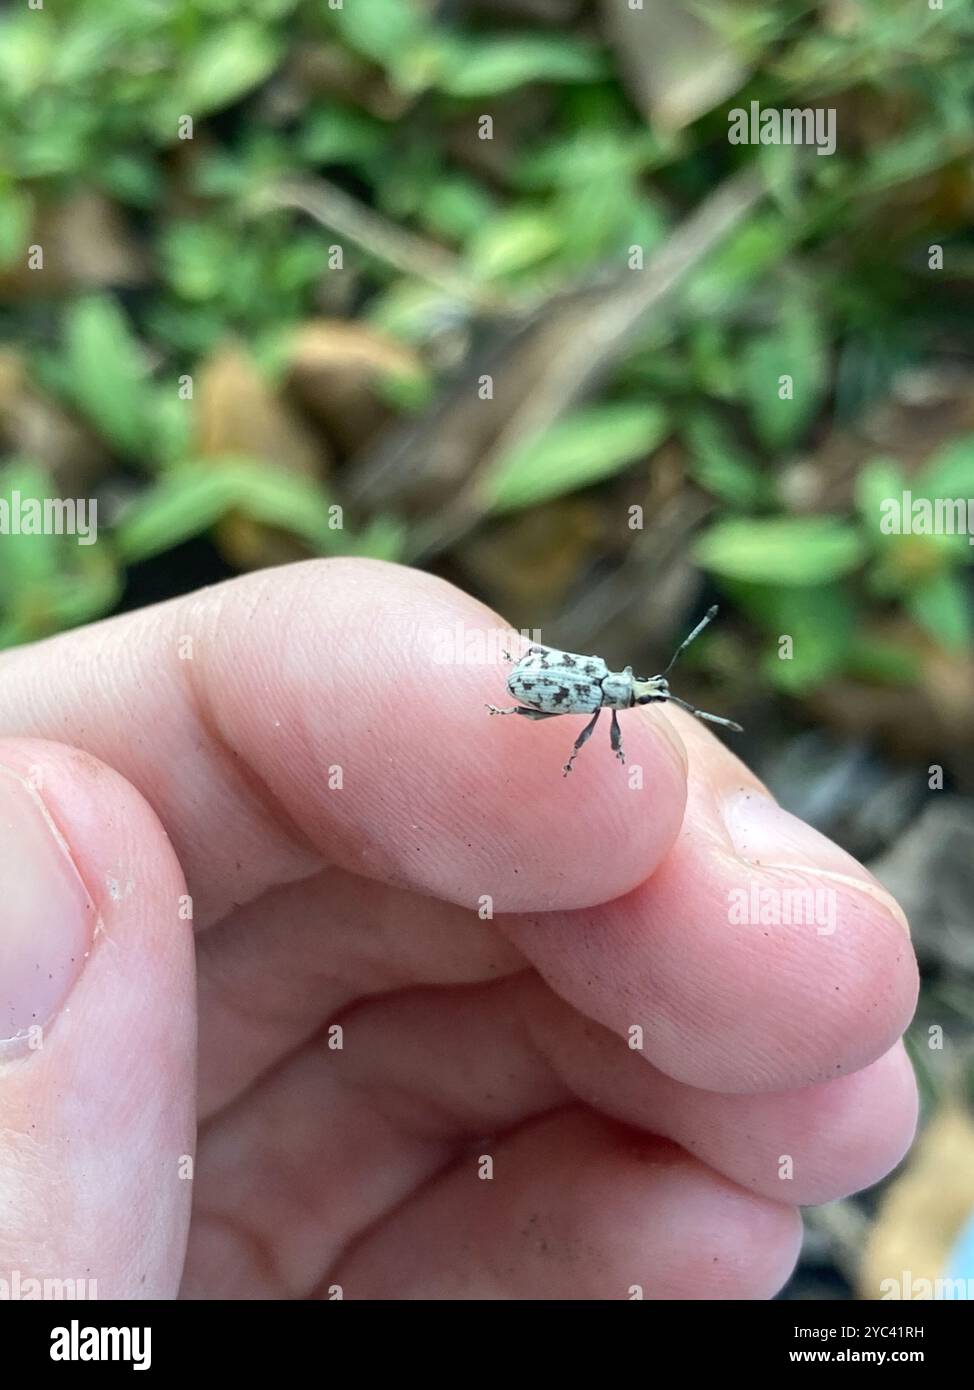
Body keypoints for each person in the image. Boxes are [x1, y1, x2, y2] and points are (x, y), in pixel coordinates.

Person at [0, 559, 918, 1299]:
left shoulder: (608, 703)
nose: (640, 697)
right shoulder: (590, 697)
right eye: (642, 694)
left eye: (643, 697)